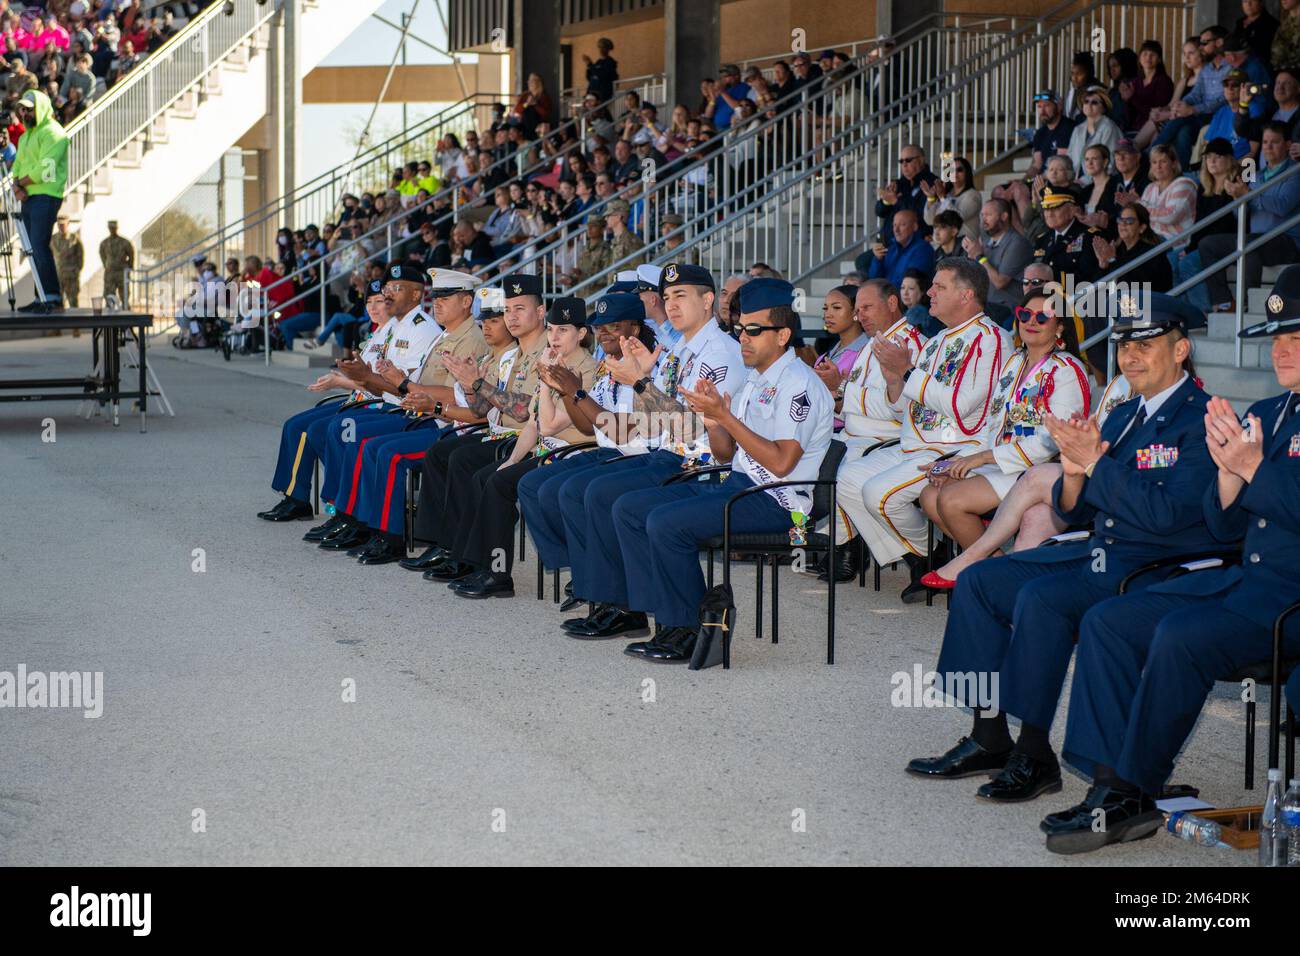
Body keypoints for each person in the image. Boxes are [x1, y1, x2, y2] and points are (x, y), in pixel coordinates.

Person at [906, 293, 1219, 813]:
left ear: (1182, 349)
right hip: (1101, 549)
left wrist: (1094, 465)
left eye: (1146, 344)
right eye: (1124, 345)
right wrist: (1074, 474)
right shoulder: (1123, 418)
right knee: (983, 581)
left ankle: (1034, 755)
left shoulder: (1202, 419)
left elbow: (1167, 517)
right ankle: (990, 737)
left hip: (1155, 566)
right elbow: (1075, 511)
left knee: (1040, 598)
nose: (1131, 356)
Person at [1050, 270, 1300, 854]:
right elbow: (1224, 529)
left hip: (1289, 598)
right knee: (1110, 621)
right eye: (1278, 337)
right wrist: (1228, 477)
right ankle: (1110, 782)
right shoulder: (1269, 408)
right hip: (1249, 582)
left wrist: (1253, 469)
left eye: (1297, 336)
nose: (1282, 348)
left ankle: (1134, 789)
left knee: (1180, 636)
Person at [610, 277, 834, 663]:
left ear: (782, 335)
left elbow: (782, 463)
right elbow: (726, 452)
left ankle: (689, 628)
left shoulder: (799, 384)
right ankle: (664, 618)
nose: (743, 337)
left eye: (754, 330)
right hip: (739, 483)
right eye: (741, 328)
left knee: (667, 523)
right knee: (630, 507)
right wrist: (714, 421)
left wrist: (725, 417)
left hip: (780, 500)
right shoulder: (755, 380)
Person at [556, 263, 746, 640]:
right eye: (668, 296)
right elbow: (654, 422)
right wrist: (635, 391)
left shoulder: (722, 353)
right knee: (583, 488)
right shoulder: (678, 350)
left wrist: (641, 383)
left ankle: (647, 611)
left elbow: (696, 430)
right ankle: (620, 604)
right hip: (667, 451)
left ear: (708, 300)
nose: (671, 305)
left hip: (702, 462)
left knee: (608, 495)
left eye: (681, 296)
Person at [836, 258, 1010, 602]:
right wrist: (893, 380)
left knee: (878, 494)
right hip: (912, 445)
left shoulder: (990, 339)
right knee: (847, 481)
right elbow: (905, 407)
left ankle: (932, 558)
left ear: (966, 294)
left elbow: (963, 406)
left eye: (939, 286)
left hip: (956, 447)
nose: (929, 292)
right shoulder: (938, 340)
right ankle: (923, 556)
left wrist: (909, 372)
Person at [917, 292, 1090, 587]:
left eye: (1043, 317)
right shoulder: (1013, 363)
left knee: (952, 500)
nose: (1031, 322)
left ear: (1059, 326)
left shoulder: (1067, 370)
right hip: (998, 462)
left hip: (1035, 470)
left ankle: (980, 570)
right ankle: (997, 569)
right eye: (1025, 314)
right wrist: (959, 462)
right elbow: (993, 425)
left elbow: (1055, 441)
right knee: (929, 497)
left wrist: (983, 459)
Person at [440, 296, 600, 598]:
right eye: (551, 330)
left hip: (573, 452)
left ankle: (499, 574)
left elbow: (549, 425)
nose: (553, 337)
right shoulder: (552, 364)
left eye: (563, 330)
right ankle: (483, 565)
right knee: (491, 475)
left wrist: (550, 383)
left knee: (499, 483)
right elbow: (533, 425)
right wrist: (512, 459)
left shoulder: (586, 370)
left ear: (581, 334)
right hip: (546, 449)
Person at [516, 292, 661, 615]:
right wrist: (568, 391)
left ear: (634, 329)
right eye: (600, 326)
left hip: (637, 457)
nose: (604, 332)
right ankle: (583, 570)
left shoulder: (648, 365)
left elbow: (625, 430)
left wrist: (576, 391)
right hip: (608, 453)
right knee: (531, 484)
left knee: (580, 492)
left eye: (614, 325)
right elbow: (585, 425)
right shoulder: (611, 368)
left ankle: (612, 600)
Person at [338, 269, 494, 565]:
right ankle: (370, 526)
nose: (437, 302)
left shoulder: (471, 339)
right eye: (436, 296)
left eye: (446, 297)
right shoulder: (447, 334)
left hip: (449, 423)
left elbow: (456, 396)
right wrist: (378, 378)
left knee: (387, 452)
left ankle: (391, 536)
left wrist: (405, 385)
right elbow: (414, 381)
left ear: (466, 302)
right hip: (427, 414)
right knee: (368, 443)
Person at [408, 273, 551, 580]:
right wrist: (472, 385)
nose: (511, 317)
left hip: (533, 440)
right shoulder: (513, 355)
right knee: (442, 453)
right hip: (502, 434)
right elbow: (481, 410)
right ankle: (449, 547)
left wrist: (477, 383)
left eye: (519, 309)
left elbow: (524, 410)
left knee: (468, 464)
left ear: (540, 312)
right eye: (508, 310)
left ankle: (487, 566)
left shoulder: (549, 352)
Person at [294, 265, 444, 551]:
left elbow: (405, 385)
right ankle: (346, 512)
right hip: (387, 403)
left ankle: (357, 517)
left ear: (416, 293)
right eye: (386, 288)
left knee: (348, 431)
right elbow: (380, 381)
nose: (388, 294)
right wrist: (361, 375)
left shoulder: (422, 329)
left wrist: (365, 378)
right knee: (339, 428)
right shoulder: (396, 326)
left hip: (407, 410)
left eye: (396, 288)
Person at [257, 279, 395, 523]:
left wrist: (340, 381)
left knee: (317, 430)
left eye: (380, 302)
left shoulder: (395, 334)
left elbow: (385, 385)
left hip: (374, 404)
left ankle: (339, 500)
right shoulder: (375, 333)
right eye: (369, 302)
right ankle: (295, 497)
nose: (373, 308)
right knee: (294, 425)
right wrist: (341, 376)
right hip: (358, 398)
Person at [817, 278, 927, 582]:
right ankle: (850, 546)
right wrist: (836, 389)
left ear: (892, 303)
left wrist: (842, 390)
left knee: (841, 472)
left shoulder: (909, 344)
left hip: (886, 438)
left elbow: (901, 408)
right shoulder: (874, 342)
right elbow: (852, 402)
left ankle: (848, 550)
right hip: (854, 433)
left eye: (867, 307)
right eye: (858, 309)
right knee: (810, 458)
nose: (860, 315)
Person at [1198, 122, 1300, 311]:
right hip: (1258, 240)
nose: (1268, 147)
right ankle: (1224, 302)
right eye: (1265, 142)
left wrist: (1248, 195)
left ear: (1287, 145)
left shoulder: (1295, 172)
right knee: (1207, 245)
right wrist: (1238, 200)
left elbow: (1282, 206)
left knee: (1249, 246)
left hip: (1287, 242)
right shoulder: (1257, 176)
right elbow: (1241, 215)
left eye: (1274, 142)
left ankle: (1246, 305)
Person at [12, 89, 67, 312]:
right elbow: (17, 165)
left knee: (38, 245)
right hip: (28, 196)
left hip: (46, 195)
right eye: (22, 109)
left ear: (41, 108)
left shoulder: (54, 132)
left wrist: (21, 184)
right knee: (32, 248)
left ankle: (52, 297)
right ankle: (41, 298)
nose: (24, 113)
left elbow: (45, 170)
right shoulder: (26, 136)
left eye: (28, 109)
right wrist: (17, 186)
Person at [1152, 25, 1229, 167]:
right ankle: (1183, 172)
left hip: (1219, 116)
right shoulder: (1207, 69)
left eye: (1205, 43)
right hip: (1202, 115)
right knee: (1184, 131)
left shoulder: (1230, 67)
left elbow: (1222, 100)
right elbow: (1196, 93)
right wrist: (1180, 105)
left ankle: (1152, 153)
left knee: (1182, 123)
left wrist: (1192, 110)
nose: (1201, 48)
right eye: (1200, 44)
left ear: (1219, 43)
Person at [810, 285, 868, 431]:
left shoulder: (866, 352)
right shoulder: (829, 353)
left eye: (836, 308)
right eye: (826, 308)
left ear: (856, 312)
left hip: (845, 431)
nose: (827, 315)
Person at [964, 199, 1033, 312]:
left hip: (1007, 309)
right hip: (986, 304)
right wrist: (971, 255)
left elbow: (1000, 282)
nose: (983, 220)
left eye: (989, 215)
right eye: (982, 215)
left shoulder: (1017, 243)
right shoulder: (985, 241)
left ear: (1004, 216)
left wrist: (979, 256)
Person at [1091, 202, 1174, 292]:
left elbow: (1131, 289)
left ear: (1142, 228)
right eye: (1120, 220)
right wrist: (1103, 265)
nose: (1123, 224)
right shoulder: (1116, 250)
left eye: (1129, 221)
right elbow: (1097, 291)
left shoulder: (1152, 254)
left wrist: (1112, 260)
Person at [860, 208, 935, 288]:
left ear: (914, 227)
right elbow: (874, 279)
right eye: (894, 225)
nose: (896, 230)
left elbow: (910, 284)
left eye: (902, 225)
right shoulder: (891, 249)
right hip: (887, 296)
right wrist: (878, 260)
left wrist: (884, 292)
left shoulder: (923, 250)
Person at [875, 144, 938, 236]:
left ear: (921, 160)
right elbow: (879, 212)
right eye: (901, 161)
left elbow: (921, 217)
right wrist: (886, 201)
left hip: (915, 243)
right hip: (889, 244)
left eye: (908, 160)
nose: (904, 165)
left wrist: (896, 201)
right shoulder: (899, 183)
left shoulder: (932, 184)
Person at [1066, 86, 1121, 180]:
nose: (1089, 104)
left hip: (1100, 183)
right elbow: (1069, 159)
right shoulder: (1077, 129)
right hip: (1076, 182)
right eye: (1086, 101)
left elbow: (1110, 164)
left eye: (1094, 102)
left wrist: (1084, 182)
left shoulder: (1109, 128)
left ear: (1104, 108)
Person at [921, 156, 981, 238]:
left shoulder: (973, 195)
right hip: (944, 246)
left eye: (959, 170)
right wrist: (931, 198)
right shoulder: (946, 194)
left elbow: (957, 219)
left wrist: (942, 197)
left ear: (967, 173)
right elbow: (930, 220)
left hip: (965, 247)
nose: (955, 173)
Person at [51, 214, 82, 317]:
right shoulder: (53, 239)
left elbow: (80, 257)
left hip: (71, 276)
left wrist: (76, 271)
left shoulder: (74, 239)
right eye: (59, 225)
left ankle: (76, 328)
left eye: (63, 225)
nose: (61, 227)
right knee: (57, 303)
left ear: (68, 224)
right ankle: (57, 329)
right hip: (57, 276)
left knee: (73, 302)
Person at [99, 218, 133, 307]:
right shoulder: (104, 243)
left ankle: (126, 316)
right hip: (110, 273)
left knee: (125, 298)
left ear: (117, 228)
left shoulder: (124, 242)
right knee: (109, 298)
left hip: (122, 273)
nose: (112, 230)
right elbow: (102, 255)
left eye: (114, 228)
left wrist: (128, 268)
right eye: (110, 228)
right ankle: (109, 317)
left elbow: (131, 255)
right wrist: (107, 265)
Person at [583, 37, 618, 103]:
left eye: (603, 47)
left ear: (608, 49)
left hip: (602, 95)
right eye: (599, 47)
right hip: (591, 93)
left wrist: (590, 64)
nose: (601, 49)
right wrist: (588, 67)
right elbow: (590, 77)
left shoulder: (610, 62)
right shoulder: (598, 62)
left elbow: (602, 75)